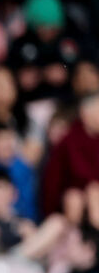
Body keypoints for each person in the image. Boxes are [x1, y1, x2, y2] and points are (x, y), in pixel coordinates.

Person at [6, 0, 91, 104]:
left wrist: (68, 71)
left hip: (69, 102)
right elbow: (10, 70)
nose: (49, 32)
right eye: (43, 27)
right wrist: (20, 78)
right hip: (31, 104)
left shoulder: (74, 37)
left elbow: (87, 66)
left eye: (53, 27)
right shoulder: (21, 43)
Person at [0, 168, 66, 260]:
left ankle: (14, 257)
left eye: (0, 188)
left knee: (57, 222)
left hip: (20, 263)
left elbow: (40, 249)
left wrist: (31, 236)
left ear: (13, 193)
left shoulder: (24, 221)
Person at [40, 91, 99, 225]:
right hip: (70, 195)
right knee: (83, 195)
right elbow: (77, 173)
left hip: (91, 190)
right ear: (85, 113)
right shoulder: (70, 139)